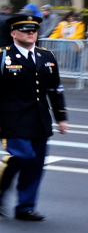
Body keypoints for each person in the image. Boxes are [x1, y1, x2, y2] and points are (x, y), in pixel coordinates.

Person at [0, 14, 68, 220]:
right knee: (21, 155)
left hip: (39, 118)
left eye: (34, 30)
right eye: (25, 30)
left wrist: (61, 117)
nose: (31, 33)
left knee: (36, 164)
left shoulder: (46, 56)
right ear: (13, 33)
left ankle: (25, 207)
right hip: (11, 118)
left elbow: (55, 89)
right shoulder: (3, 56)